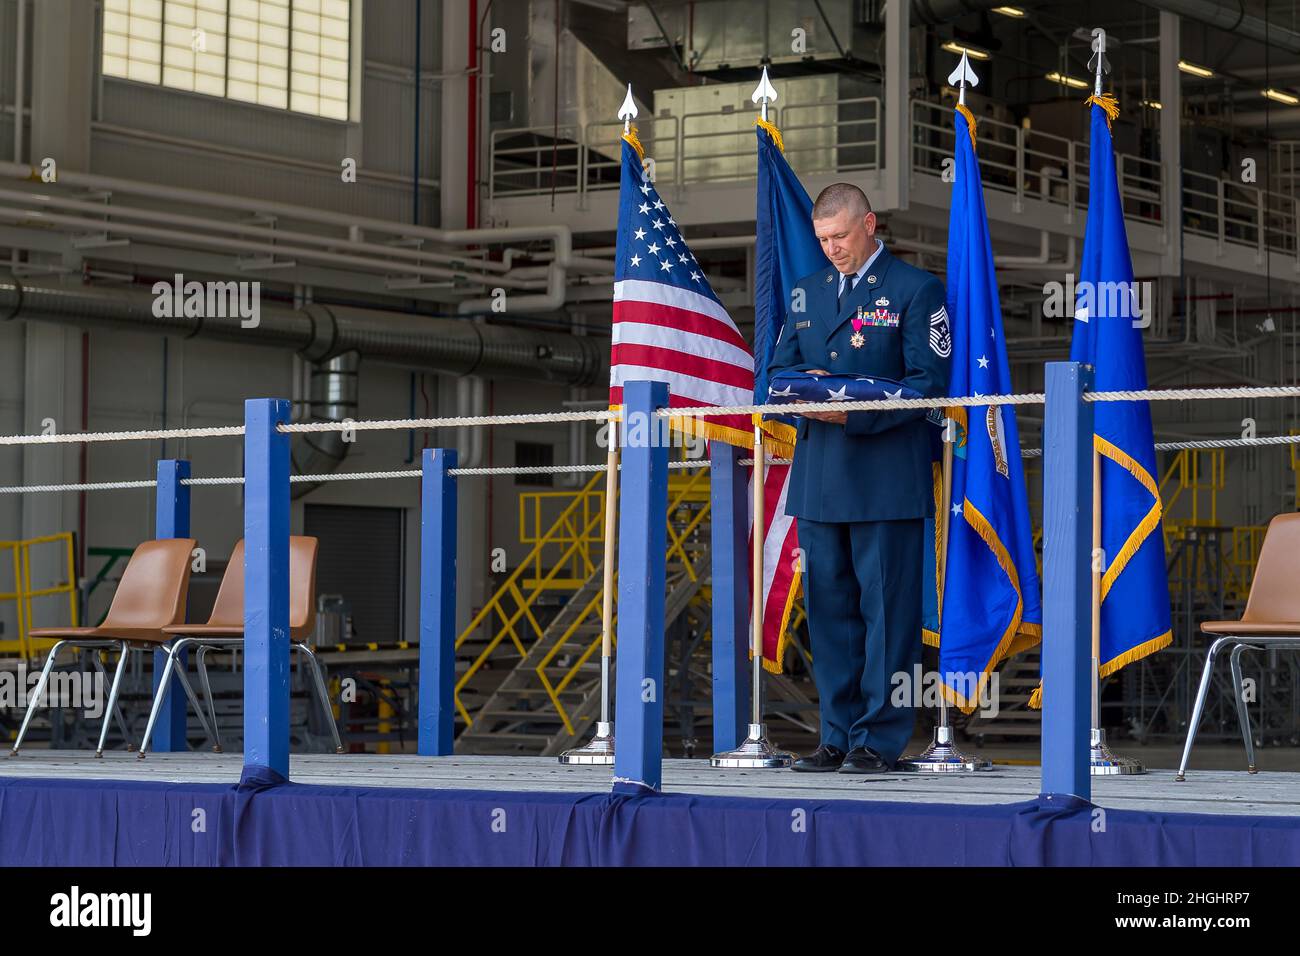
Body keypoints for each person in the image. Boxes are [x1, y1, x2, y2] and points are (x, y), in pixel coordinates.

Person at [767, 182, 951, 773]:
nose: (832, 250)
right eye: (823, 240)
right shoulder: (805, 294)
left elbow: (929, 385)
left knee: (889, 618)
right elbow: (775, 372)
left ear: (870, 224)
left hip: (885, 480)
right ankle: (836, 736)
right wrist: (804, 388)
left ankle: (880, 739)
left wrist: (849, 409)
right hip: (820, 480)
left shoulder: (917, 290)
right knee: (830, 618)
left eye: (840, 236)